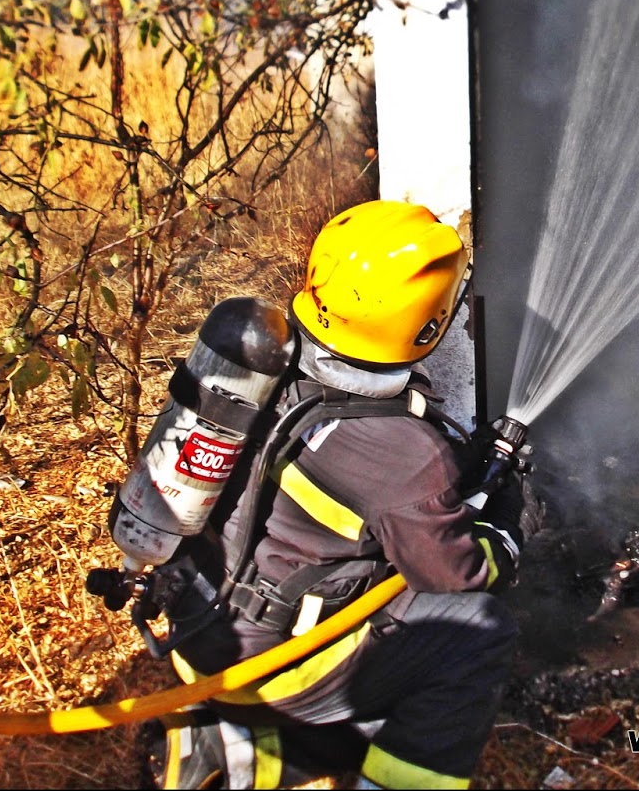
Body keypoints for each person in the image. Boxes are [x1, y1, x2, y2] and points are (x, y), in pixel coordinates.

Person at [147, 200, 528, 790]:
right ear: (428, 324)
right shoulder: (403, 452)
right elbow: (456, 577)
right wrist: (504, 526)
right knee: (475, 632)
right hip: (270, 668)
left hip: (196, 622)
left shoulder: (266, 363)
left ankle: (242, 741)